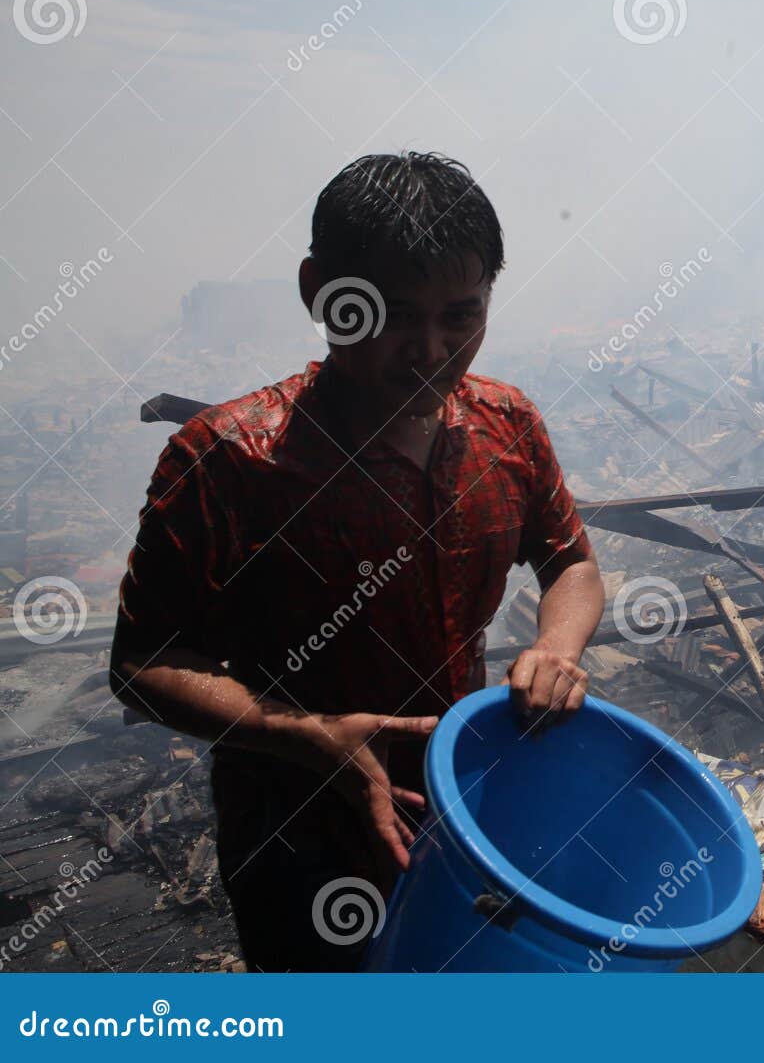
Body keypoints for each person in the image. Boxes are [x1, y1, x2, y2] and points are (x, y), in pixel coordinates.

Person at [109, 152, 605, 970]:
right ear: (319, 291)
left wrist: (556, 649)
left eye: (462, 314)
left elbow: (572, 565)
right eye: (395, 314)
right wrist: (307, 736)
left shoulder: (506, 425)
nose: (432, 349)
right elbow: (143, 661)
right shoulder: (230, 458)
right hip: (292, 828)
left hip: (462, 804)